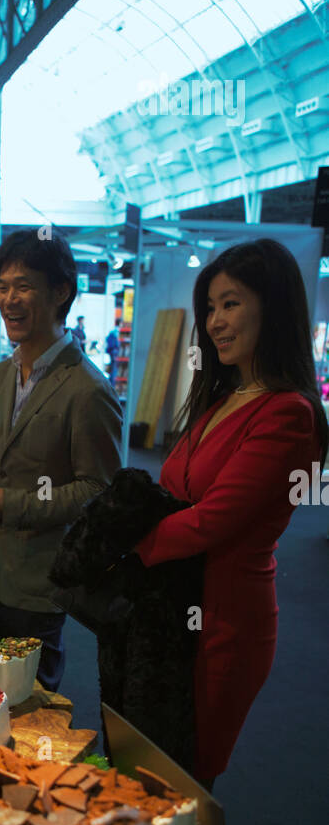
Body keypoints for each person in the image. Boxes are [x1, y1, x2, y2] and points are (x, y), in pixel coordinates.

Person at [131, 238, 328, 789]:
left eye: (231, 303)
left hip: (224, 622)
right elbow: (172, 490)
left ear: (275, 306)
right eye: (211, 307)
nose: (215, 321)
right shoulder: (223, 396)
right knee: (153, 771)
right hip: (176, 606)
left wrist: (123, 547)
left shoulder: (290, 414)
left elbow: (212, 519)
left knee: (185, 782)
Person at [0, 228, 122, 692]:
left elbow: (102, 492)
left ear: (60, 292)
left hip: (42, 576)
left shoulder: (87, 388)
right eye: (3, 287)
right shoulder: (1, 375)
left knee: (34, 699)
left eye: (24, 286)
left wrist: (9, 503)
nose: (10, 299)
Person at [105, 318, 122, 384]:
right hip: (114, 352)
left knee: (113, 369)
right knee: (114, 369)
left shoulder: (113, 331)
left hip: (112, 352)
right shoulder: (116, 332)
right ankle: (112, 384)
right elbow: (114, 343)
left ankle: (111, 383)